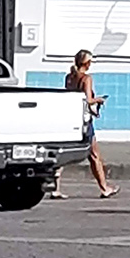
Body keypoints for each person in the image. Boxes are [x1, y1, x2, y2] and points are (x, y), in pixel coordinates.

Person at [53, 50, 118, 199]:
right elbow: (87, 100)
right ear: (87, 63)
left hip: (70, 118)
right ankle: (104, 188)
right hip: (83, 120)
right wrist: (99, 100)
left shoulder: (69, 77)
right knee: (94, 155)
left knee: (62, 153)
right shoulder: (86, 79)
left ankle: (55, 188)